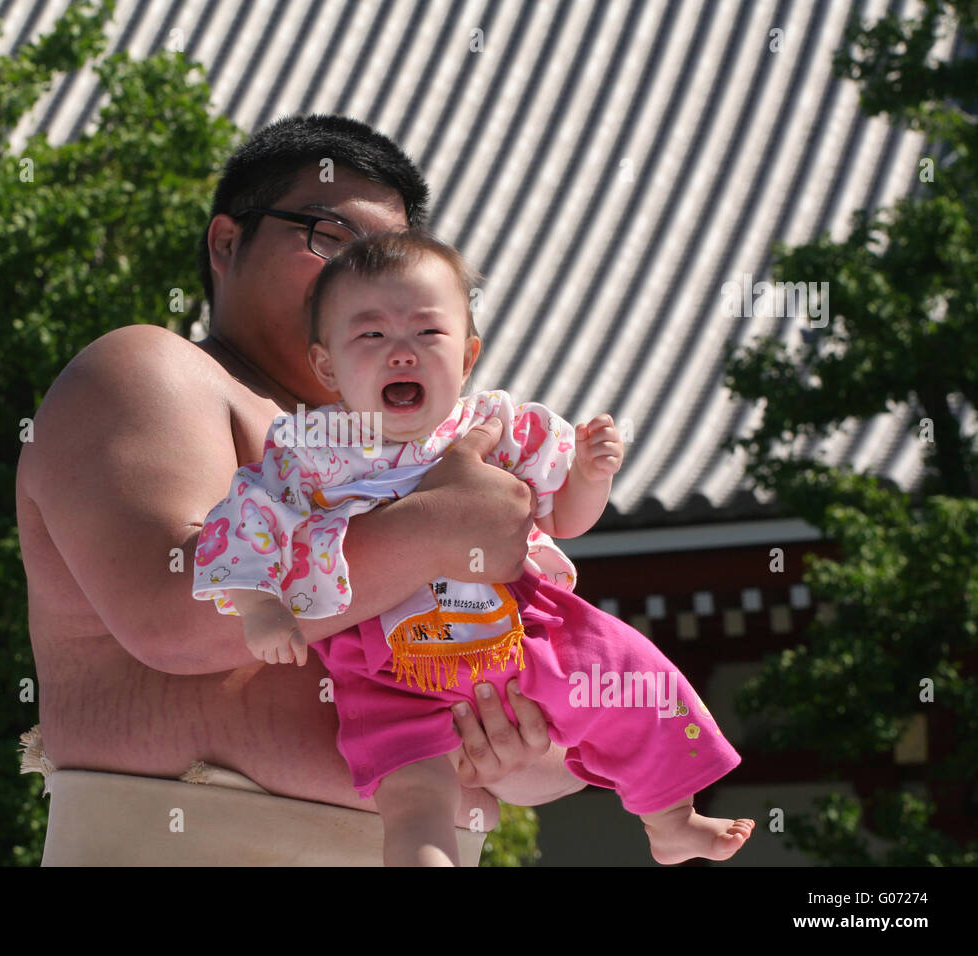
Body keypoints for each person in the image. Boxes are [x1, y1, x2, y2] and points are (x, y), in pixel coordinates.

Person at [15, 113, 587, 866]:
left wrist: (526, 752)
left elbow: (547, 717)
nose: (358, 273)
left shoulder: (416, 447)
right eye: (329, 235)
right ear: (227, 243)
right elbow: (171, 620)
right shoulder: (152, 370)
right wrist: (431, 530)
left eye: (386, 255)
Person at [193, 230, 755, 866]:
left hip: (520, 628)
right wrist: (261, 605)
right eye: (371, 334)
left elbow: (563, 517)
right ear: (327, 366)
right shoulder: (309, 449)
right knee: (415, 795)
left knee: (630, 676)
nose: (401, 352)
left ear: (466, 357)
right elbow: (248, 522)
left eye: (427, 332)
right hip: (385, 665)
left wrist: (589, 477)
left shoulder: (493, 427)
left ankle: (670, 818)